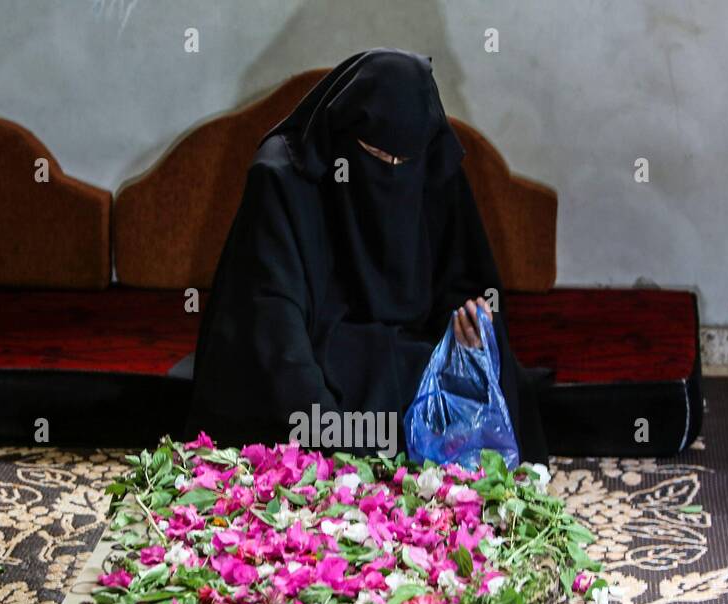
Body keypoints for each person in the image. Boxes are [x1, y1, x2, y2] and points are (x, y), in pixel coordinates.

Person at [185, 48, 547, 461]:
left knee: (486, 370)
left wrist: (469, 328)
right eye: (376, 156)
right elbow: (273, 321)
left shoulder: (430, 162)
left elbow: (464, 281)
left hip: (415, 349)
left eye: (402, 161)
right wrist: (331, 441)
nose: (392, 169)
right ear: (343, 134)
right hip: (319, 352)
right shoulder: (285, 176)